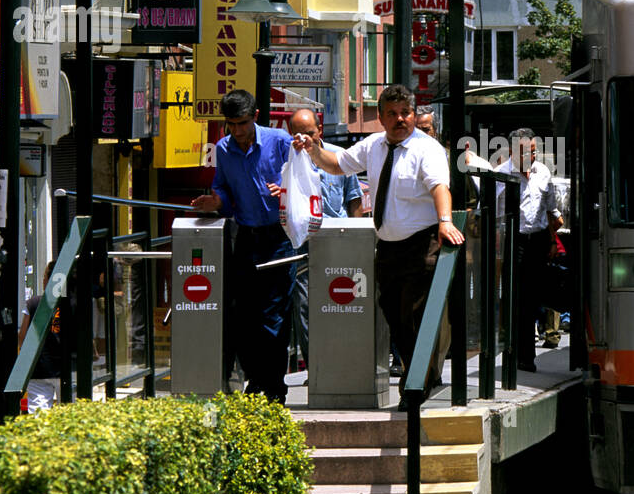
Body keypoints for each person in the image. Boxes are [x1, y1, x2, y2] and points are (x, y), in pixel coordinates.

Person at [292, 84, 464, 403]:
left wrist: (445, 221)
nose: (400, 119)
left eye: (406, 113)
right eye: (392, 114)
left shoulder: (427, 150)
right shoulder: (373, 145)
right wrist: (314, 150)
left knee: (414, 312)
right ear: (381, 118)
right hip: (387, 246)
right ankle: (416, 374)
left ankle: (416, 384)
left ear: (413, 115)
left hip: (421, 243)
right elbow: (337, 164)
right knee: (392, 312)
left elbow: (441, 187)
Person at [191, 89, 296, 403]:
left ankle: (273, 386)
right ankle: (256, 379)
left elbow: (310, 176)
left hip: (279, 237)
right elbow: (222, 186)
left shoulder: (280, 141)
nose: (238, 131)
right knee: (244, 315)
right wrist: (216, 199)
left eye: (243, 123)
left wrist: (288, 189)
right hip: (247, 236)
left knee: (274, 315)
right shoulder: (224, 149)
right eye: (232, 124)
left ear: (256, 117)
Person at [288, 108, 363, 377]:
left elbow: (354, 201)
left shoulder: (338, 158)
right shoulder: (288, 160)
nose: (303, 139)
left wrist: (357, 242)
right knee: (306, 309)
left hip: (339, 244)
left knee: (344, 306)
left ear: (319, 130)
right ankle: (318, 370)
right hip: (304, 247)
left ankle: (345, 368)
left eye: (308, 133)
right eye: (297, 133)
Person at [495, 128, 563, 372]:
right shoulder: (501, 176)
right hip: (514, 241)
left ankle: (526, 355)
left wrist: (553, 241)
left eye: (534, 151)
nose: (531, 156)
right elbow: (490, 213)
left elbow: (550, 209)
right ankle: (518, 355)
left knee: (533, 300)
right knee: (517, 300)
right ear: (512, 150)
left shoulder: (542, 172)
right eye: (526, 152)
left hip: (539, 240)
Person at [17, 261, 66, 412]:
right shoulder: (70, 303)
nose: (43, 279)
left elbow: (22, 336)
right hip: (67, 368)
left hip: (39, 368)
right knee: (70, 414)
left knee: (39, 416)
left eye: (45, 276)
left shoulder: (33, 303)